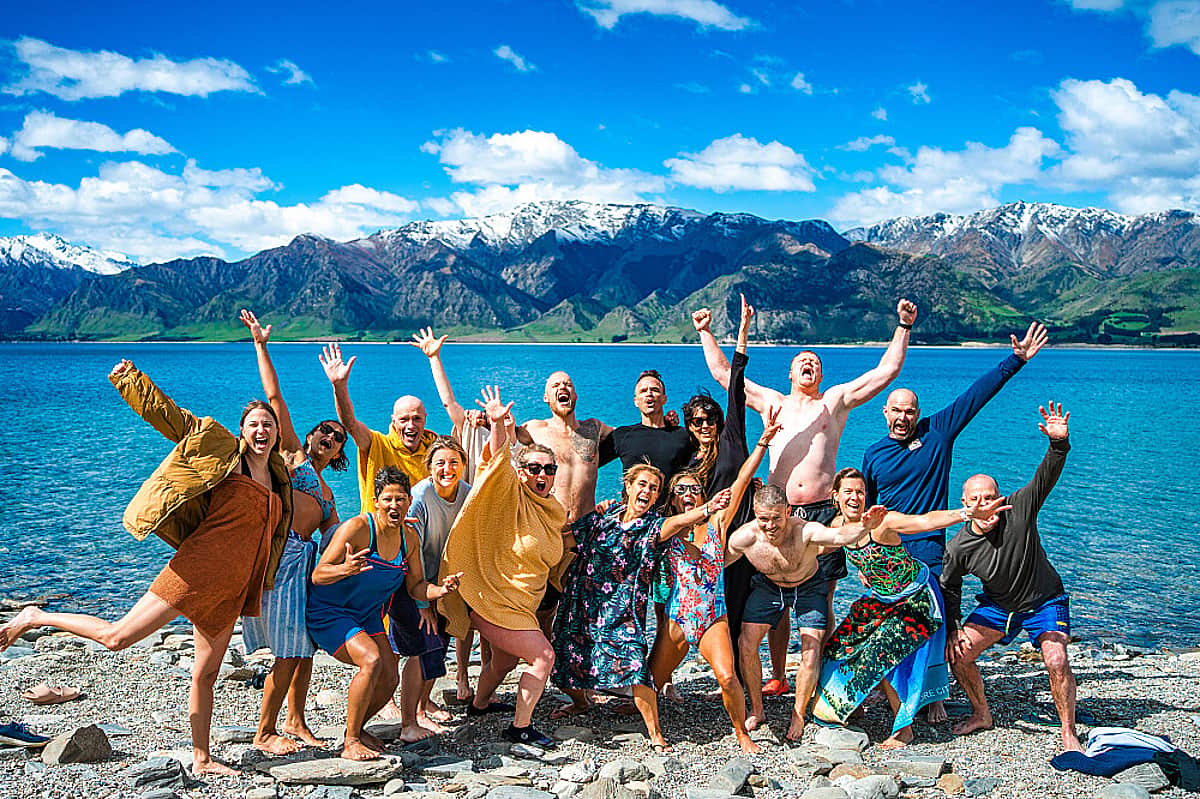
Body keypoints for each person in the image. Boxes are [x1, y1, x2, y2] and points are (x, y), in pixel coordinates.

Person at [0, 360, 294, 776]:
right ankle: (36, 616)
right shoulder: (224, 453)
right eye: (254, 424)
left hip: (230, 591)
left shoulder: (279, 479)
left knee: (206, 676)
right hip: (193, 572)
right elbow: (174, 419)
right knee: (117, 637)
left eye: (268, 424)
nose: (261, 430)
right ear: (242, 431)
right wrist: (132, 381)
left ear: (278, 432)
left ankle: (202, 757)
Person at [698, 298, 918, 696]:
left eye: (815, 361)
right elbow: (722, 375)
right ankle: (778, 674)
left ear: (821, 372)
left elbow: (885, 372)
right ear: (790, 371)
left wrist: (902, 326)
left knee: (822, 594)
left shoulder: (833, 402)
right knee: (772, 586)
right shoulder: (772, 402)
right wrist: (705, 332)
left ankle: (818, 677)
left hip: (820, 511)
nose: (809, 364)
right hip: (775, 510)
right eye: (802, 360)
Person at [813, 467, 1009, 748]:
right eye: (848, 492)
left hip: (916, 597)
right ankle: (850, 705)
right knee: (837, 646)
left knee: (884, 652)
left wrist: (968, 514)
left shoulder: (882, 521)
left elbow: (926, 521)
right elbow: (814, 547)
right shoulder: (835, 527)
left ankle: (903, 729)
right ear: (835, 496)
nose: (855, 497)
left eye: (860, 491)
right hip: (881, 599)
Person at [551, 465, 733, 751]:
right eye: (642, 484)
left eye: (654, 488)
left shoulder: (652, 526)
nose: (646, 491)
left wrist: (708, 507)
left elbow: (678, 523)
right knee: (567, 661)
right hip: (583, 605)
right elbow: (562, 543)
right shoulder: (602, 519)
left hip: (623, 612)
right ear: (628, 486)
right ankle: (580, 702)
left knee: (636, 668)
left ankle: (655, 733)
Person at [941, 403, 1082, 753]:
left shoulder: (1019, 508)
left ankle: (1068, 733)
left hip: (1043, 600)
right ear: (965, 504)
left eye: (990, 497)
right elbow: (949, 585)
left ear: (1000, 497)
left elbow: (1046, 474)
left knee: (1056, 659)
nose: (986, 505)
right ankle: (981, 714)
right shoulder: (959, 546)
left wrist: (1058, 444)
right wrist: (954, 626)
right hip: (999, 606)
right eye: (977, 500)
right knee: (959, 656)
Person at [238, 310, 348, 755]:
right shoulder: (293, 457)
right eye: (325, 430)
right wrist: (261, 345)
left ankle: (297, 720)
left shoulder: (329, 497)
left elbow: (340, 537)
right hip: (281, 559)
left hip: (306, 564)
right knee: (287, 649)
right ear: (311, 435)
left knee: (304, 647)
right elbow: (273, 395)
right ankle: (264, 732)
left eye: (338, 437)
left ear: (340, 452)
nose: (331, 436)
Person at [647, 406, 784, 754]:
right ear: (673, 497)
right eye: (681, 490)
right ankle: (650, 728)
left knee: (726, 676)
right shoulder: (666, 528)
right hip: (677, 619)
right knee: (651, 681)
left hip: (712, 616)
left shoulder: (718, 523)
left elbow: (739, 480)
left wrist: (763, 444)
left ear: (703, 493)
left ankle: (741, 732)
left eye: (694, 488)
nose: (688, 493)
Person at [439, 386, 566, 749]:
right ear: (521, 472)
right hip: (493, 599)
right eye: (534, 468)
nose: (542, 474)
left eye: (549, 469)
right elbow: (497, 461)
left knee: (505, 660)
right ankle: (520, 727)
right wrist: (497, 424)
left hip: (520, 603)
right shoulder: (510, 492)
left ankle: (480, 705)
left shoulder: (552, 509)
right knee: (543, 656)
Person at [307, 467, 462, 761]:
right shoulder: (358, 529)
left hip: (366, 616)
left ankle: (360, 728)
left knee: (389, 676)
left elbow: (416, 586)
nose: (395, 506)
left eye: (401, 499)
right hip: (330, 612)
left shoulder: (409, 538)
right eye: (388, 499)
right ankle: (350, 741)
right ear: (376, 500)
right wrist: (345, 569)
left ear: (408, 501)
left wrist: (440, 591)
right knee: (371, 659)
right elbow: (319, 574)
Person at [654, 293, 755, 701]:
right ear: (690, 425)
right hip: (704, 544)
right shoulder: (687, 455)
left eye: (710, 418)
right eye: (697, 421)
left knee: (743, 605)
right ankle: (666, 678)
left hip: (743, 534)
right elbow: (664, 479)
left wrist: (742, 332)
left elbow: (735, 387)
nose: (705, 424)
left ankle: (742, 682)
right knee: (697, 607)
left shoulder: (733, 437)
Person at [727, 485, 887, 741]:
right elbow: (715, 562)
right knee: (746, 643)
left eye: (777, 518)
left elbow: (839, 537)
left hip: (808, 587)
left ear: (788, 512)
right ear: (755, 514)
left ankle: (798, 714)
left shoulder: (805, 531)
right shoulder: (744, 538)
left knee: (811, 650)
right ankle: (757, 710)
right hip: (768, 587)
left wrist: (866, 527)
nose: (770, 526)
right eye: (763, 519)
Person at [410, 327, 492, 701]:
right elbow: (448, 402)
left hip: (474, 539)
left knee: (472, 616)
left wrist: (499, 421)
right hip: (435, 550)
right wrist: (433, 358)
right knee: (445, 620)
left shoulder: (506, 434)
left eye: (500, 414)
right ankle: (444, 687)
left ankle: (473, 679)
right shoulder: (464, 433)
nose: (490, 416)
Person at [386, 436, 471, 741]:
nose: (447, 469)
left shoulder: (467, 493)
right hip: (412, 582)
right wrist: (423, 602)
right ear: (429, 467)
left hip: (444, 583)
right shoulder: (420, 497)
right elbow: (413, 551)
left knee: (438, 648)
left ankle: (423, 706)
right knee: (422, 647)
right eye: (440, 463)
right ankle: (413, 716)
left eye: (454, 462)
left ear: (463, 465)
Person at [319, 342, 439, 512]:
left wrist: (480, 420)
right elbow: (350, 423)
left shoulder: (434, 449)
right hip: (380, 533)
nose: (411, 425)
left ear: (425, 419)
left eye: (416, 419)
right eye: (404, 419)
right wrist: (339, 386)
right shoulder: (378, 444)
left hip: (423, 535)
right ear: (394, 421)